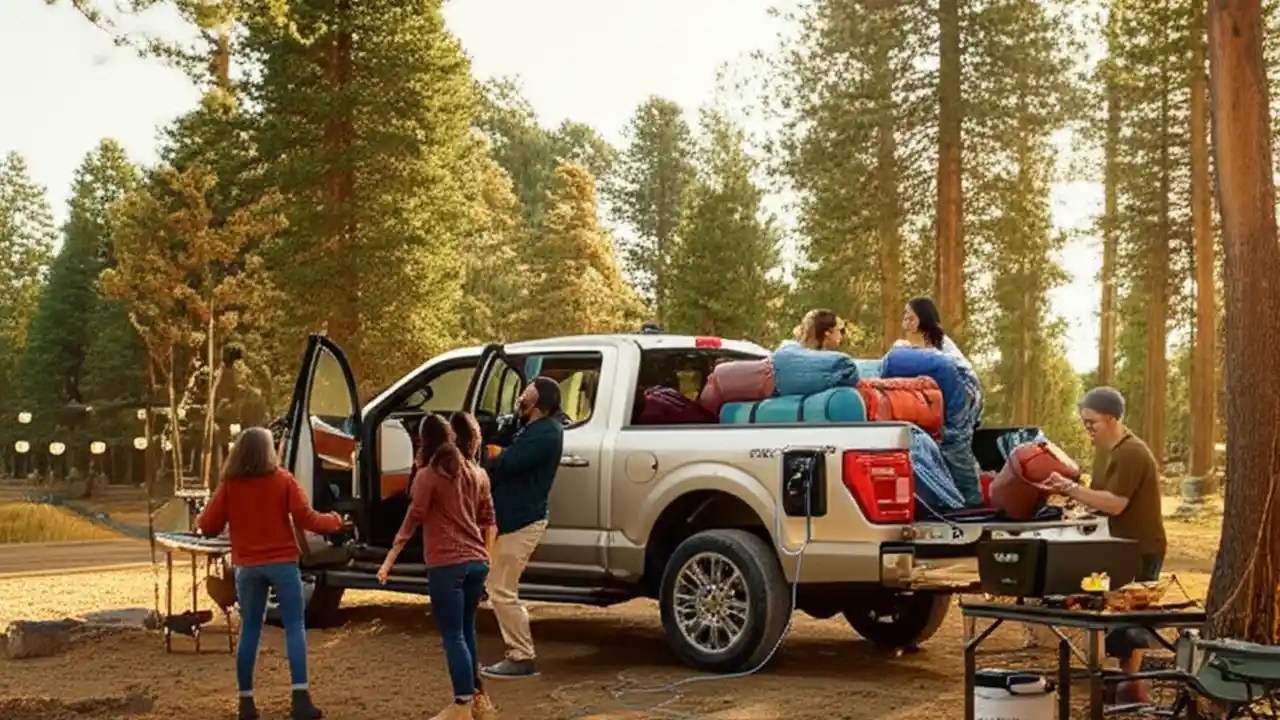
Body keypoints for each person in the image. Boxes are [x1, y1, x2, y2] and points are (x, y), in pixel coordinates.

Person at [196, 427, 345, 720]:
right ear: (269, 450)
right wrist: (337, 522)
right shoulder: (282, 480)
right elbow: (309, 519)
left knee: (250, 629)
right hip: (282, 564)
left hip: (247, 567)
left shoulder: (230, 485)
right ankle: (300, 698)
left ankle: (246, 703)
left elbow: (208, 525)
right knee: (294, 627)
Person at [1045, 387, 1166, 701]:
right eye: (1084, 423)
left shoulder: (1132, 452)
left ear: (1112, 419)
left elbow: (1115, 504)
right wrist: (1069, 506)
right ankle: (1113, 685)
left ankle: (1134, 690)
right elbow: (1097, 501)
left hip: (1141, 549)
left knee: (1132, 622)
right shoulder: (1106, 454)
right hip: (1113, 550)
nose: (1088, 430)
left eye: (1092, 423)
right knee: (1104, 613)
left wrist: (1072, 488)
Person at [377, 414, 498, 720]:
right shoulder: (476, 472)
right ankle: (479, 701)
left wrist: (391, 557)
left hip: (447, 565)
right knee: (466, 630)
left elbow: (413, 517)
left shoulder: (428, 476)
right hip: (476, 564)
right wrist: (488, 560)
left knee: (453, 635)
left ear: (423, 442)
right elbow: (488, 518)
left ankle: (461, 704)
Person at [480, 377, 565, 679]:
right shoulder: (532, 428)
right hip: (514, 519)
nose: (520, 397)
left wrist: (490, 454)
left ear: (540, 401)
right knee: (497, 585)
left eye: (526, 393)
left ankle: (521, 656)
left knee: (501, 589)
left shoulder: (546, 433)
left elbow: (509, 462)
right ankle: (518, 652)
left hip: (523, 522)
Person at [898, 296, 972, 369]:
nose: (906, 324)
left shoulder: (939, 341)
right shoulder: (909, 344)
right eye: (905, 319)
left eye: (911, 319)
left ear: (923, 318)